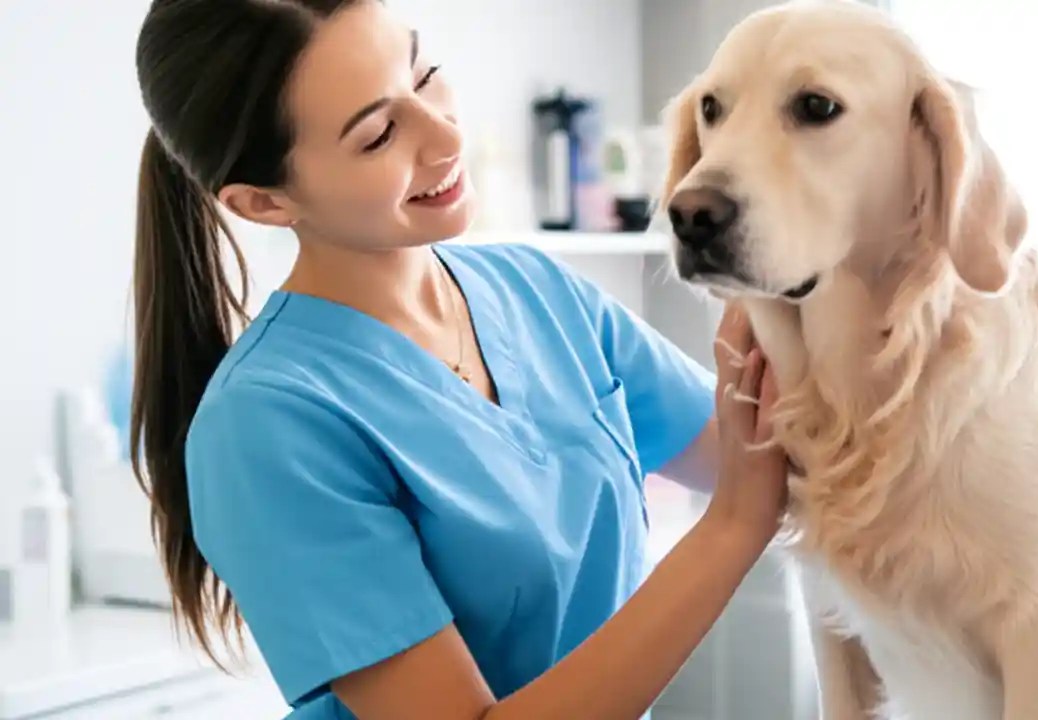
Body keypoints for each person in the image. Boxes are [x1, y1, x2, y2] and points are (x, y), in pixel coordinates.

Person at [130, 1, 789, 719]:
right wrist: (733, 526)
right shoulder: (265, 424)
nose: (444, 134)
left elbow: (781, 460)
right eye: (379, 133)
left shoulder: (538, 292)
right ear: (263, 202)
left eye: (424, 73)